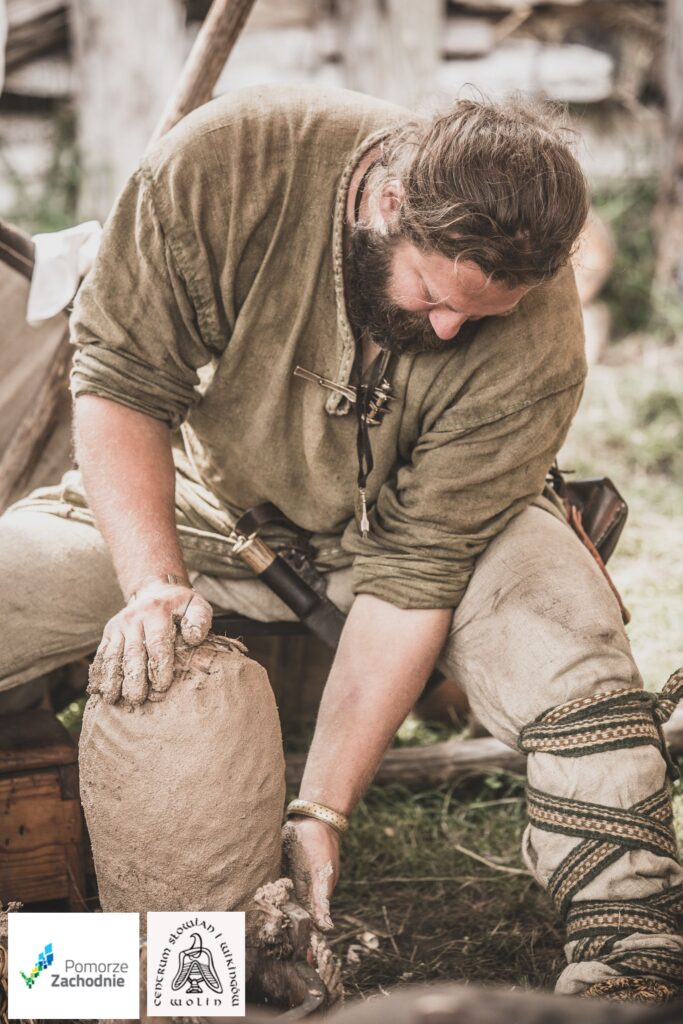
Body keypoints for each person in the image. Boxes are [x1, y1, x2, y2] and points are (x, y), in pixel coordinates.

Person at [1, 84, 681, 1002]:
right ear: (385, 204)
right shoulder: (229, 163)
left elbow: (418, 568)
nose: (450, 330)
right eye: (435, 296)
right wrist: (153, 585)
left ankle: (630, 953)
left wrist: (320, 809)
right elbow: (122, 379)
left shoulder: (537, 329)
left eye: (477, 318)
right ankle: (92, 975)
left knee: (563, 637)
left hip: (426, 532)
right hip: (207, 503)